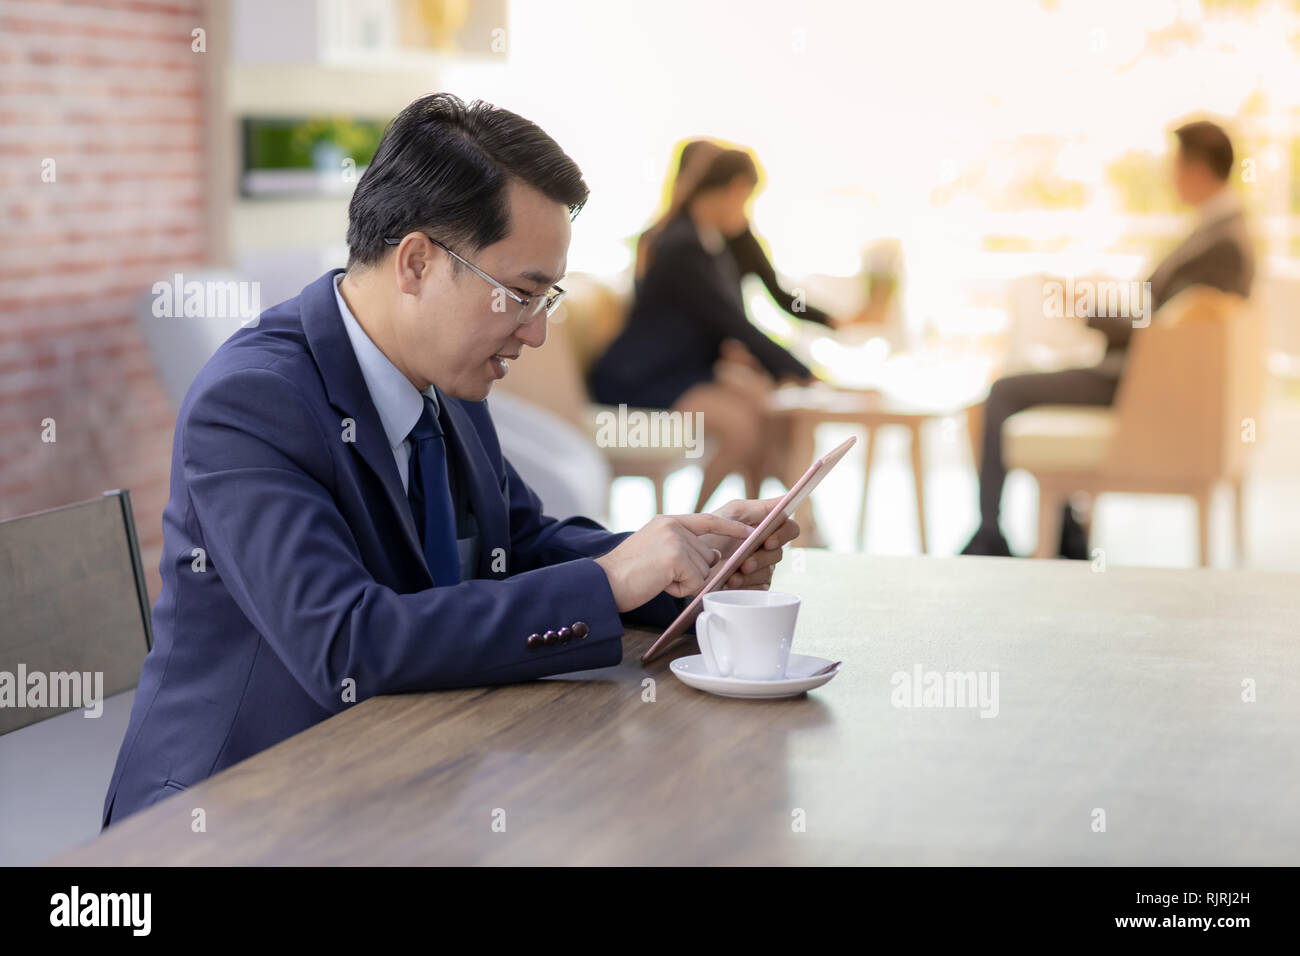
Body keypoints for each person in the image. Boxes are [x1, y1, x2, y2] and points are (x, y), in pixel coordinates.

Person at [101, 93, 798, 828]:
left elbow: (520, 544)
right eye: (521, 295)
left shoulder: (444, 378)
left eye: (548, 299)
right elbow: (346, 642)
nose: (534, 333)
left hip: (400, 777)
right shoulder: (252, 403)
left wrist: (682, 563)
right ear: (417, 263)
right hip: (233, 815)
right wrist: (608, 580)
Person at [961, 119, 1255, 558]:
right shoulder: (1221, 232)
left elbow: (1153, 329)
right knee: (1021, 381)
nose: (1168, 175)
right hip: (1142, 372)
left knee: (1003, 390)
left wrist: (1086, 309)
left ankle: (990, 537)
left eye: (1174, 164)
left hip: (1137, 381)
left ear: (1196, 167)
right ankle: (1066, 538)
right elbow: (1157, 314)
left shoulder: (1222, 244)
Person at [590, 148, 823, 513]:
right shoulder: (680, 246)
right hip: (641, 376)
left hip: (681, 370)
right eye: (745, 199)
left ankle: (761, 521)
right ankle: (696, 526)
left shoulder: (707, 242)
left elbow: (725, 320)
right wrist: (801, 372)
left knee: (764, 412)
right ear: (731, 189)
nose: (745, 211)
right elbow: (729, 319)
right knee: (741, 429)